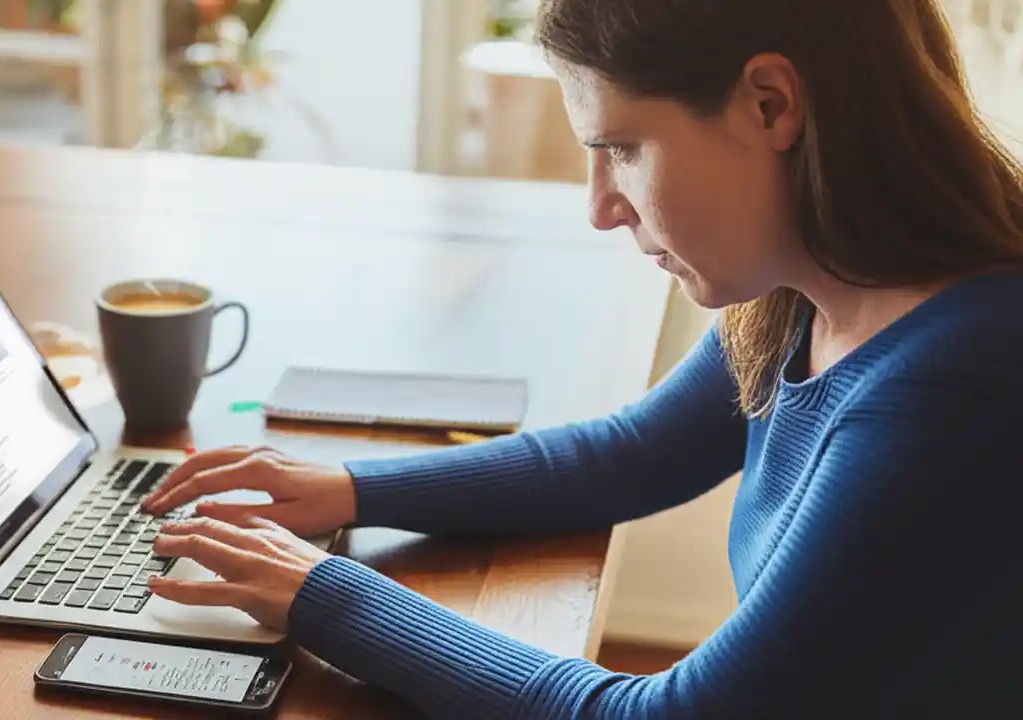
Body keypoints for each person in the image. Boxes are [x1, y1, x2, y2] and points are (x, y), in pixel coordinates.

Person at [141, 0, 1023, 716]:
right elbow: (632, 454)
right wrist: (350, 490)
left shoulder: (954, 387)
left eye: (621, 150)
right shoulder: (815, 289)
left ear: (771, 105)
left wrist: (325, 593)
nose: (602, 208)